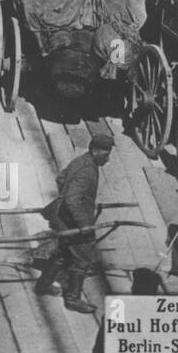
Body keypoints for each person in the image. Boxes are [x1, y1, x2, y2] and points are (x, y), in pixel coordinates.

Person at [35, 134, 113, 313]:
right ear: (95, 151)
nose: (108, 159)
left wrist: (66, 201)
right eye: (105, 155)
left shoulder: (80, 161)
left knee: (63, 253)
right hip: (75, 224)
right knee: (83, 258)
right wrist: (84, 224)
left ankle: (44, 284)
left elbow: (61, 179)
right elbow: (72, 200)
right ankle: (73, 299)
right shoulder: (87, 171)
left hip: (63, 219)